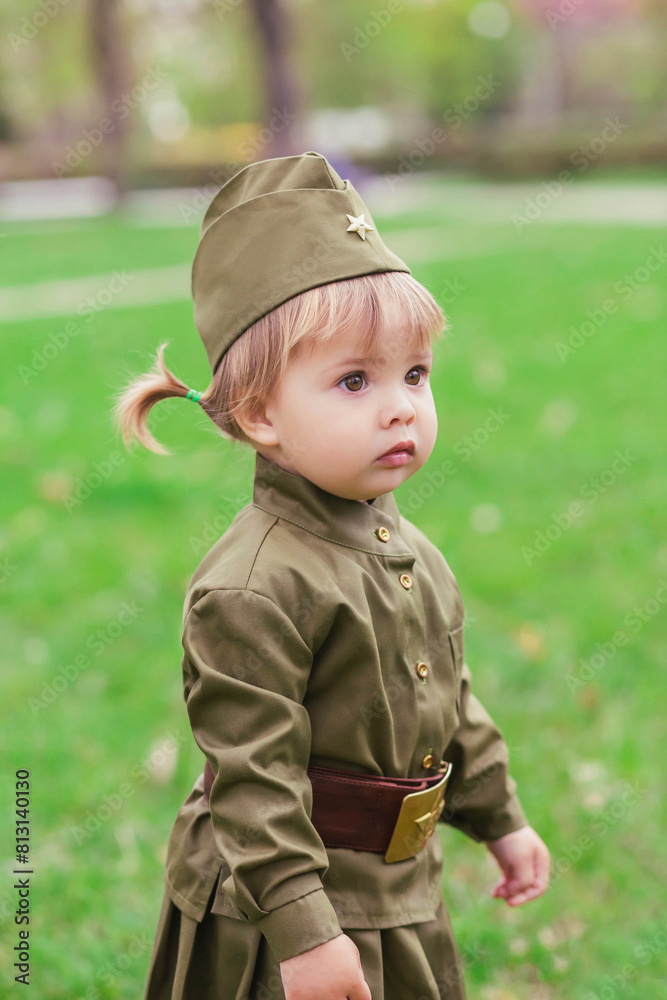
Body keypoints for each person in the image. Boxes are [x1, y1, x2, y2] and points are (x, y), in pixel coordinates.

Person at [113, 151, 550, 1000]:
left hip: (396, 889)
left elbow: (451, 706)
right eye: (354, 380)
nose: (400, 406)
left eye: (414, 375)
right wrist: (305, 935)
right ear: (259, 414)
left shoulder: (411, 555)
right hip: (276, 917)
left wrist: (500, 818)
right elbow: (253, 777)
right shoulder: (252, 588)